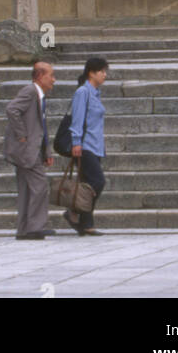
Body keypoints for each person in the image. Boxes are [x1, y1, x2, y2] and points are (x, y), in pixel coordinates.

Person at [3, 59, 55, 240]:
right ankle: (35, 226)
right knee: (40, 186)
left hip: (31, 150)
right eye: (51, 75)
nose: (53, 80)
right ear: (40, 76)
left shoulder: (39, 96)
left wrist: (46, 152)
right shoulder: (30, 91)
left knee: (26, 189)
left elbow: (42, 127)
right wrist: (21, 135)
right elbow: (12, 109)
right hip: (26, 150)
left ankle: (24, 229)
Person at [66, 55, 109, 236]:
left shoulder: (95, 93)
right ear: (91, 73)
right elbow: (77, 118)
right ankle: (75, 212)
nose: (105, 75)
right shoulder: (83, 92)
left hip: (96, 145)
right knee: (97, 181)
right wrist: (76, 142)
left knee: (86, 184)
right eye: (102, 71)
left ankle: (86, 223)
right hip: (85, 146)